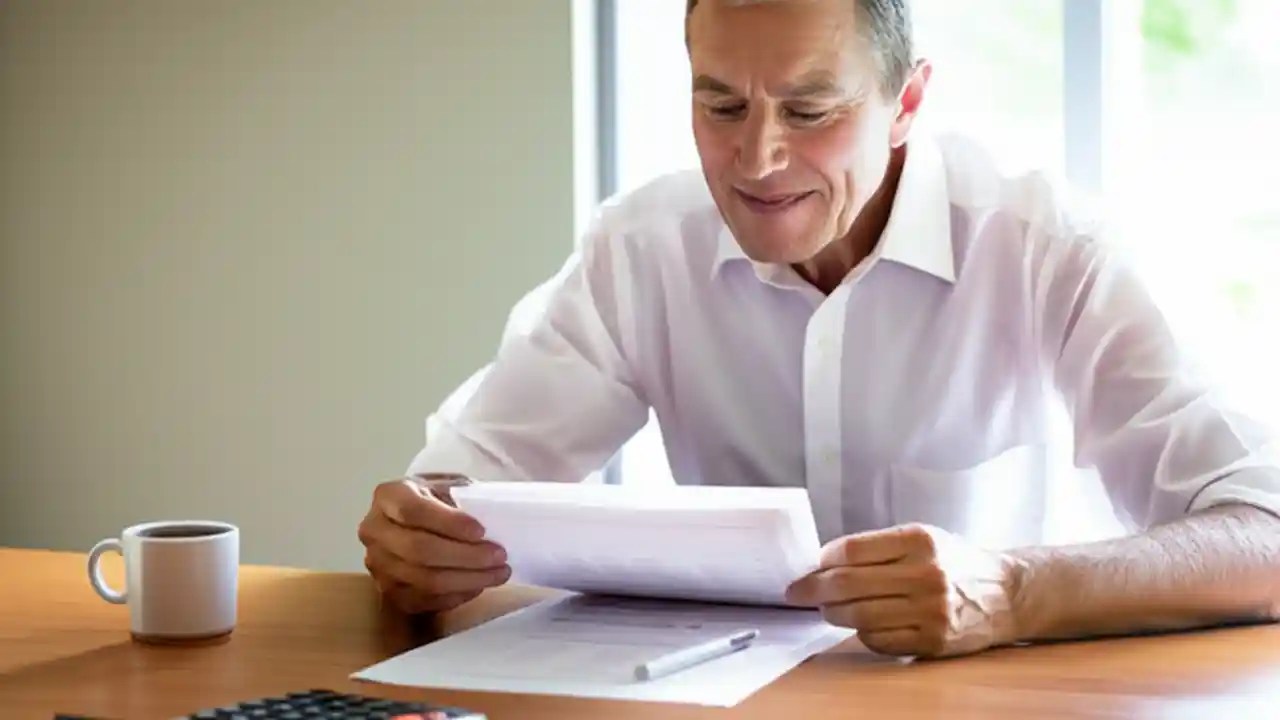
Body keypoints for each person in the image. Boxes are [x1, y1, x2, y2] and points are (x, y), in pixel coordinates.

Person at [358, 0, 1280, 658]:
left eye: (809, 111)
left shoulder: (1047, 244)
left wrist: (1012, 590)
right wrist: (420, 538)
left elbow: (1265, 535)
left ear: (906, 105)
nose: (758, 159)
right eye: (721, 105)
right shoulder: (642, 247)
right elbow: (458, 488)